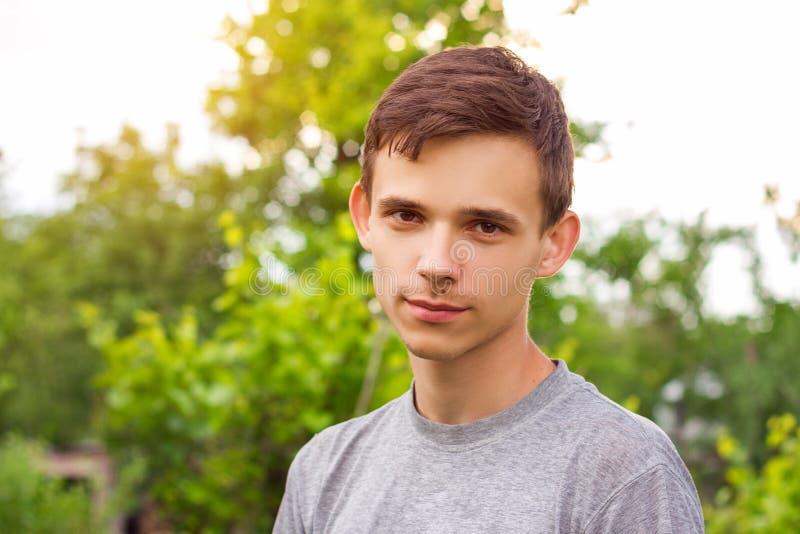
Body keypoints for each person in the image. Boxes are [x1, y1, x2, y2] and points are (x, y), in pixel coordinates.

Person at [274, 46, 704, 533]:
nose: (437, 265)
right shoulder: (324, 473)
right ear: (364, 217)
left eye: (484, 226)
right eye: (407, 216)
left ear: (552, 245)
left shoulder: (622, 477)